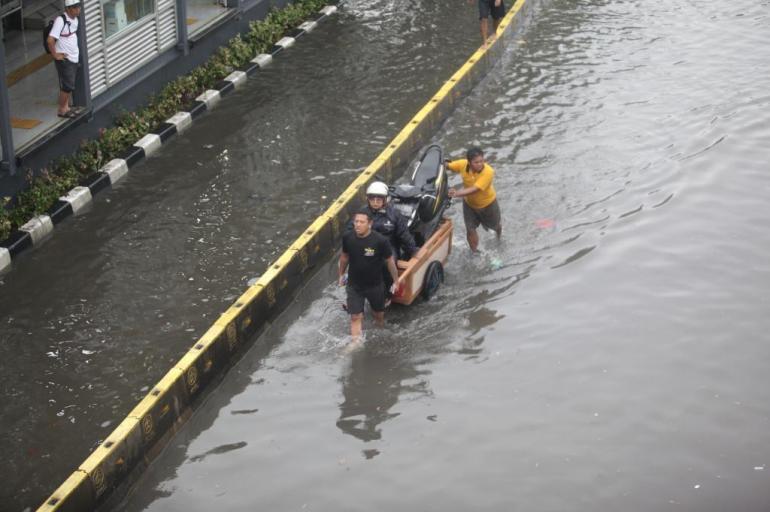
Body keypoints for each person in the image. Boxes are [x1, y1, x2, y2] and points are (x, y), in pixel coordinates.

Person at [338, 208, 400, 341]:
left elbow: (390, 261)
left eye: (362, 222)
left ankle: (380, 334)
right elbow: (344, 257)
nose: (358, 225)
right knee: (355, 317)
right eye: (356, 221)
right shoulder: (348, 237)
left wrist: (396, 281)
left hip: (375, 286)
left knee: (378, 315)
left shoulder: (380, 241)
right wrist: (341, 274)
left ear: (370, 224)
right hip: (354, 285)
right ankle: (356, 344)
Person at [446, 147, 502, 252]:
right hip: (469, 205)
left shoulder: (488, 172)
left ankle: (499, 238)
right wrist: (441, 164)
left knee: (495, 226)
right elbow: (448, 166)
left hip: (488, 204)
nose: (480, 164)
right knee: (470, 230)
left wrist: (456, 193)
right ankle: (474, 251)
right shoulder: (462, 164)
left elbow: (475, 189)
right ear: (469, 162)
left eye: (482, 161)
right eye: (476, 162)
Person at [47, 0, 82, 119]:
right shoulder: (60, 20)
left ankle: (66, 107)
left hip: (73, 57)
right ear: (68, 9)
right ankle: (62, 109)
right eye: (75, 7)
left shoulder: (75, 19)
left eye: (79, 6)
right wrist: (55, 55)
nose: (78, 9)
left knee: (69, 84)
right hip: (65, 60)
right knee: (67, 86)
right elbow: (50, 40)